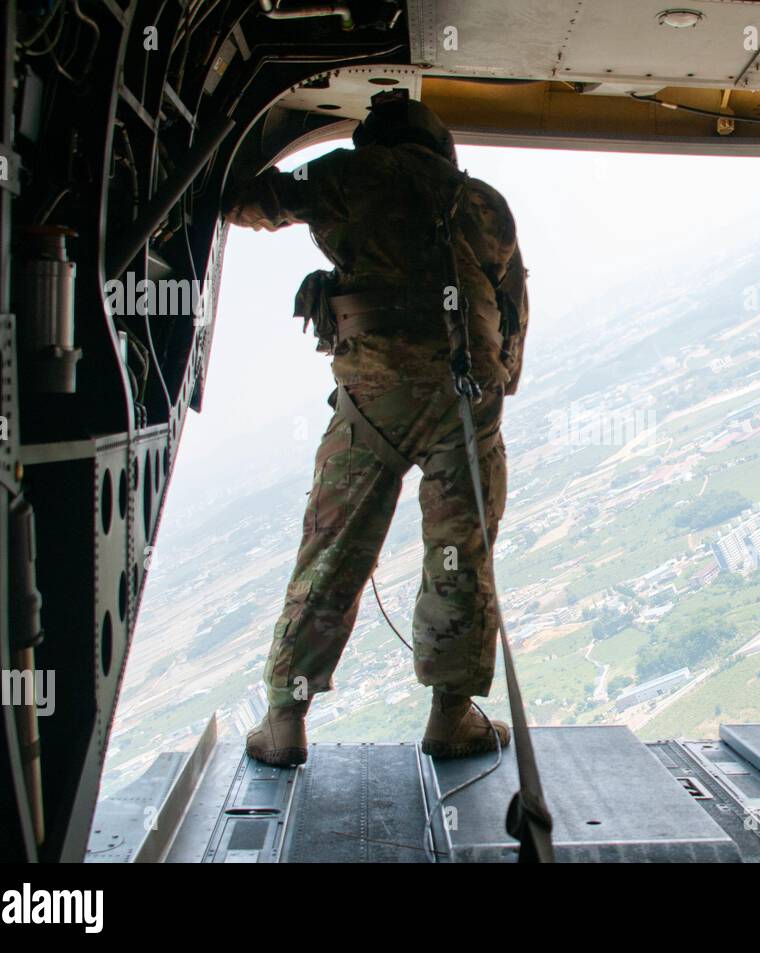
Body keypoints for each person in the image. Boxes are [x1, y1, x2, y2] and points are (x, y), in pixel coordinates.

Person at [223, 90, 529, 765]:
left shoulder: (344, 175)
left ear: (375, 141)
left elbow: (244, 201)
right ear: (441, 147)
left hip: (374, 394)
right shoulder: (484, 203)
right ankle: (451, 716)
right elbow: (511, 309)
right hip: (465, 394)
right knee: (460, 555)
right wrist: (492, 392)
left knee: (333, 551)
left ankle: (285, 719)